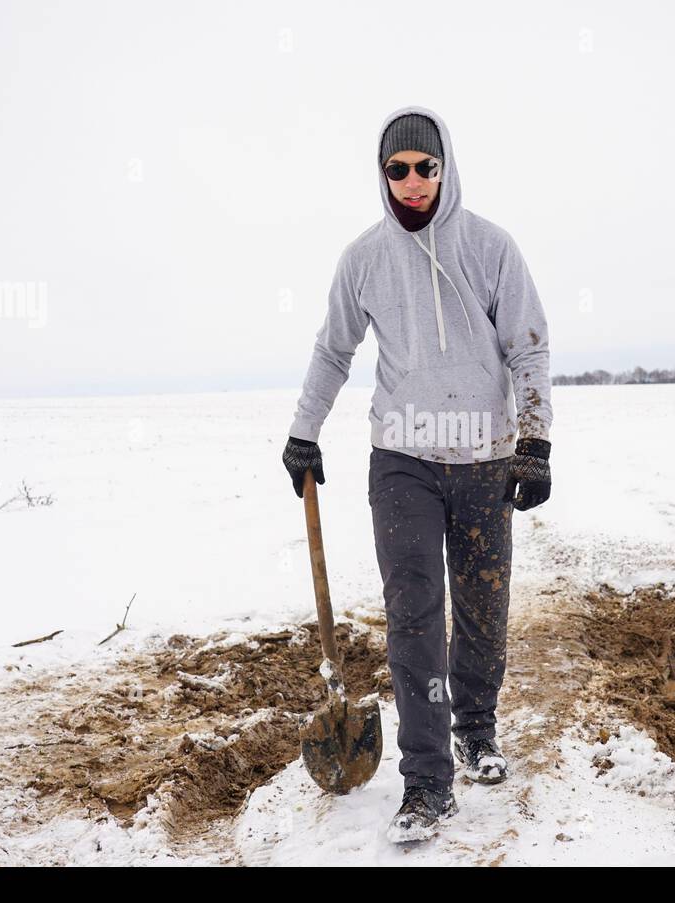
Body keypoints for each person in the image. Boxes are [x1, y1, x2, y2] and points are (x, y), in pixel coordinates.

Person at [281, 106, 553, 844]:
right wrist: (304, 432)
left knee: (481, 608)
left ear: (445, 167)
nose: (410, 181)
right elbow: (333, 350)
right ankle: (427, 783)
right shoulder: (363, 259)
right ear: (382, 175)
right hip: (400, 458)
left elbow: (529, 348)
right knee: (413, 613)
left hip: (484, 457)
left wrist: (536, 440)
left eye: (423, 167)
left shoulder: (491, 247)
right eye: (395, 169)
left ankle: (476, 730)